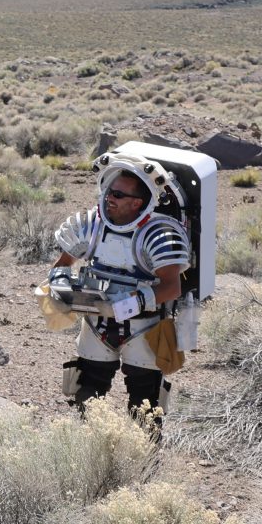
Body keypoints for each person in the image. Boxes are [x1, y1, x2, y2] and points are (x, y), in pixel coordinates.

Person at [47, 157, 192, 416]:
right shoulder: (91, 226)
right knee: (87, 395)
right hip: (95, 325)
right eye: (109, 191)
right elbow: (62, 265)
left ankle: (145, 453)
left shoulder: (159, 234)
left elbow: (172, 288)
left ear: (137, 202)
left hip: (143, 329)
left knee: (145, 402)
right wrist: (61, 289)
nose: (109, 198)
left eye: (118, 194)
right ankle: (87, 450)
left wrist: (126, 306)